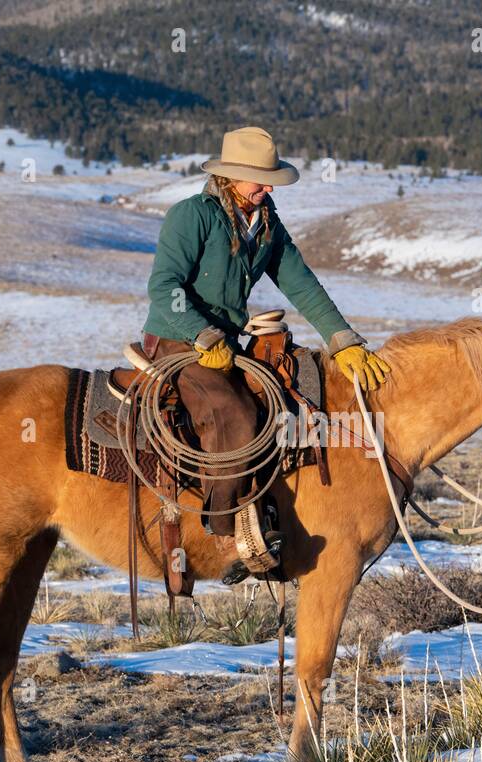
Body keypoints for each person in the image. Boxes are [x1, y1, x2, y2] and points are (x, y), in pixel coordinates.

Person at [143, 126, 389, 573]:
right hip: (178, 341)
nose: (268, 187)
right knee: (233, 413)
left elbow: (300, 282)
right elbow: (164, 287)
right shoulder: (192, 216)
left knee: (284, 399)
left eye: (270, 179)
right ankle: (223, 538)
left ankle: (272, 517)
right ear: (231, 177)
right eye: (260, 179)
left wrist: (343, 340)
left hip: (225, 345)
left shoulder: (266, 222)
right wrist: (201, 334)